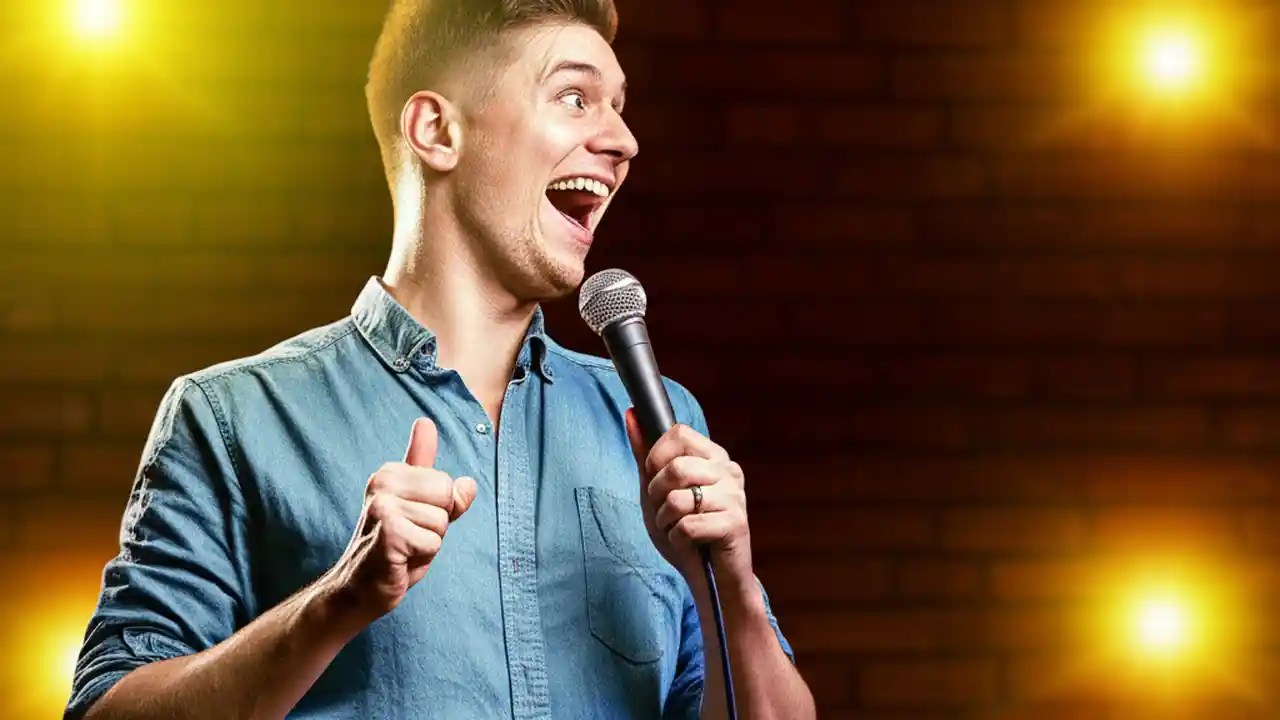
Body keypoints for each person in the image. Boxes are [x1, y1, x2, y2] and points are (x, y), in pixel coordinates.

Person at [65, 0, 815, 718]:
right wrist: (339, 602)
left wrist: (733, 586)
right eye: (576, 99)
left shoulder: (663, 426)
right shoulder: (233, 420)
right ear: (436, 130)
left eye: (620, 105)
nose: (624, 141)